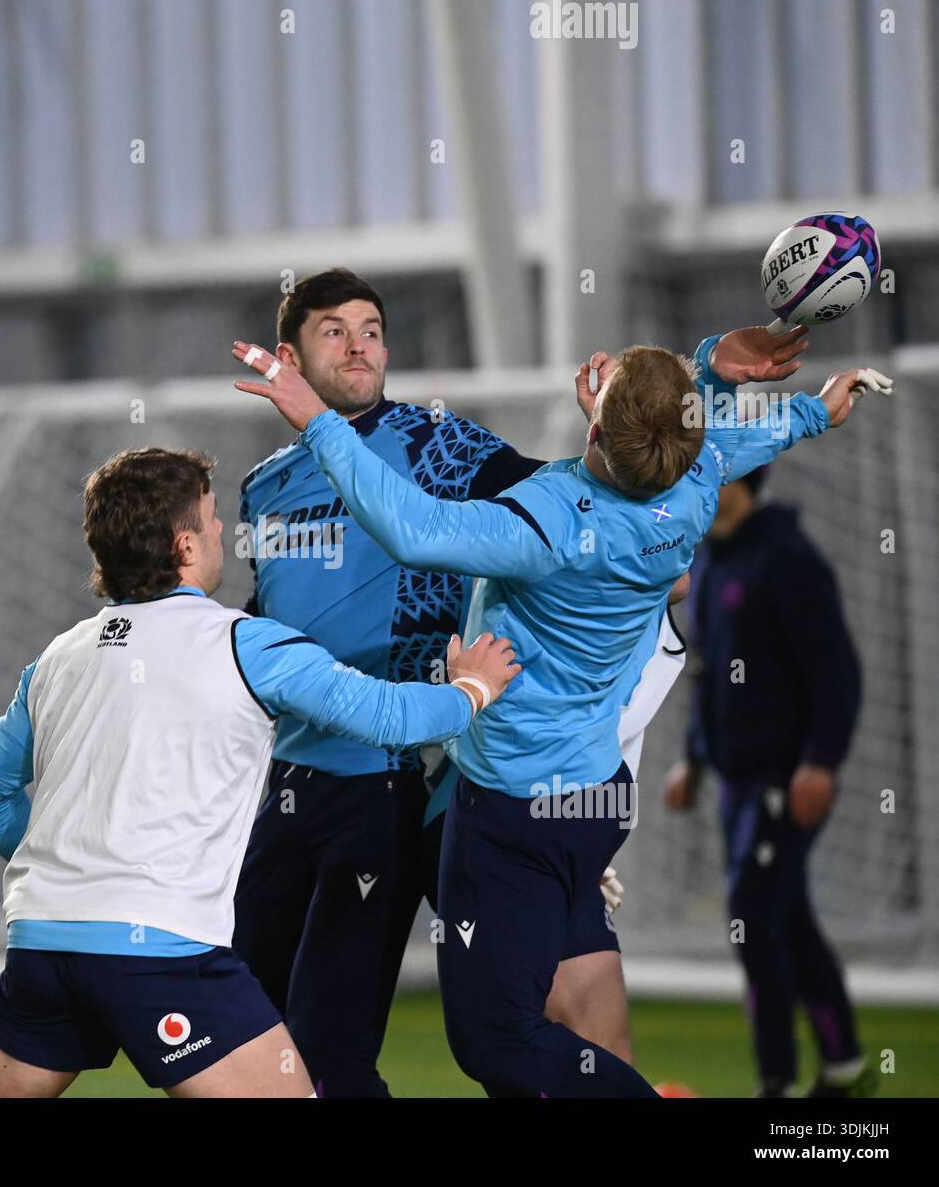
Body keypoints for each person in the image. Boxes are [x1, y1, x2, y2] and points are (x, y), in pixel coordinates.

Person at [234, 322, 890, 1096]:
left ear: (597, 428)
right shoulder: (695, 486)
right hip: (593, 798)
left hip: (511, 810)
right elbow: (738, 439)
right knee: (588, 1026)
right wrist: (807, 406)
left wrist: (318, 421)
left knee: (493, 1041)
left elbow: (412, 529)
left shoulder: (549, 522)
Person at [0, 446, 519, 1098]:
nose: (223, 530)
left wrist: (75, 878)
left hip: (41, 947)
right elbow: (390, 717)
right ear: (186, 544)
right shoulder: (248, 643)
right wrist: (472, 688)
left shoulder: (57, 657)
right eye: (212, 517)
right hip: (165, 956)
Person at [233, 268, 667, 1094]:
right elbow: (270, 621)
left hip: (414, 777)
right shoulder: (263, 486)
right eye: (334, 331)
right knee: (247, 1043)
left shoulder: (439, 444)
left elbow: (568, 511)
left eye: (371, 330)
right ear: (289, 357)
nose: (359, 346)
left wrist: (616, 446)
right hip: (290, 788)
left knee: (559, 1001)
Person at [664, 464, 873, 1098]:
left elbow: (838, 672)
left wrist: (821, 762)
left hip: (784, 781)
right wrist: (694, 758)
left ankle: (776, 1082)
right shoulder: (710, 559)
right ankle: (846, 1065)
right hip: (735, 784)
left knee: (753, 918)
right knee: (787, 920)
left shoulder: (787, 558)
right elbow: (707, 672)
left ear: (739, 482)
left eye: (705, 473)